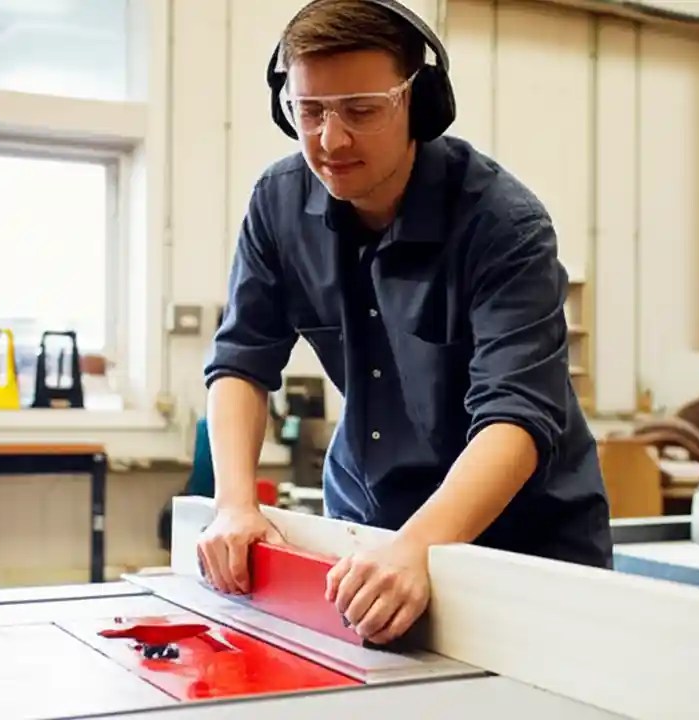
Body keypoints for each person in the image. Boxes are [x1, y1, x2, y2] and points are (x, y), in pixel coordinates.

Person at [198, 0, 612, 645]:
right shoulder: (278, 204)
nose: (331, 141)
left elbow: (517, 417)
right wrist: (235, 504)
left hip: (519, 545)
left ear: (418, 102)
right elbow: (240, 362)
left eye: (361, 111)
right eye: (309, 113)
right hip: (370, 529)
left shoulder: (504, 224)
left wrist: (420, 546)